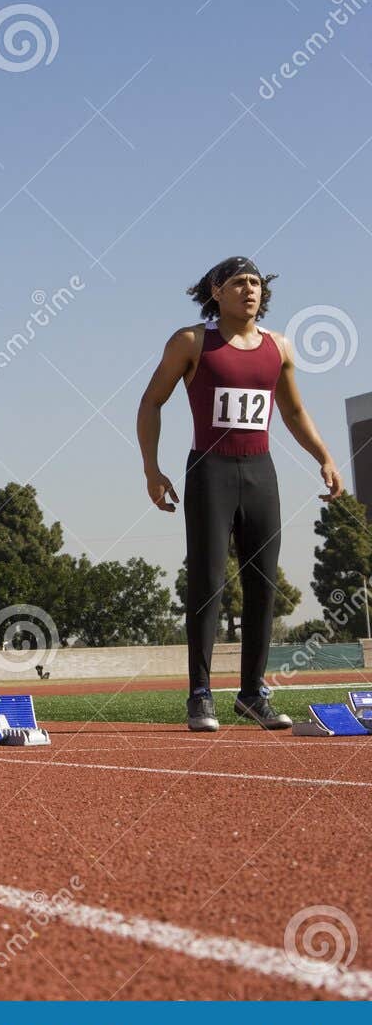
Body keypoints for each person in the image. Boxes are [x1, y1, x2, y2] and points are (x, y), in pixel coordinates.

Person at [136, 256, 342, 732]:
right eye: (238, 283)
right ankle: (201, 694)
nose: (250, 290)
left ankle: (252, 694)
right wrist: (152, 468)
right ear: (216, 290)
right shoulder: (191, 342)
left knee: (263, 585)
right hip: (210, 470)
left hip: (261, 473)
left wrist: (325, 457)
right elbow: (151, 401)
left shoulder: (279, 347)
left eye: (255, 283)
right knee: (208, 583)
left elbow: (293, 412)